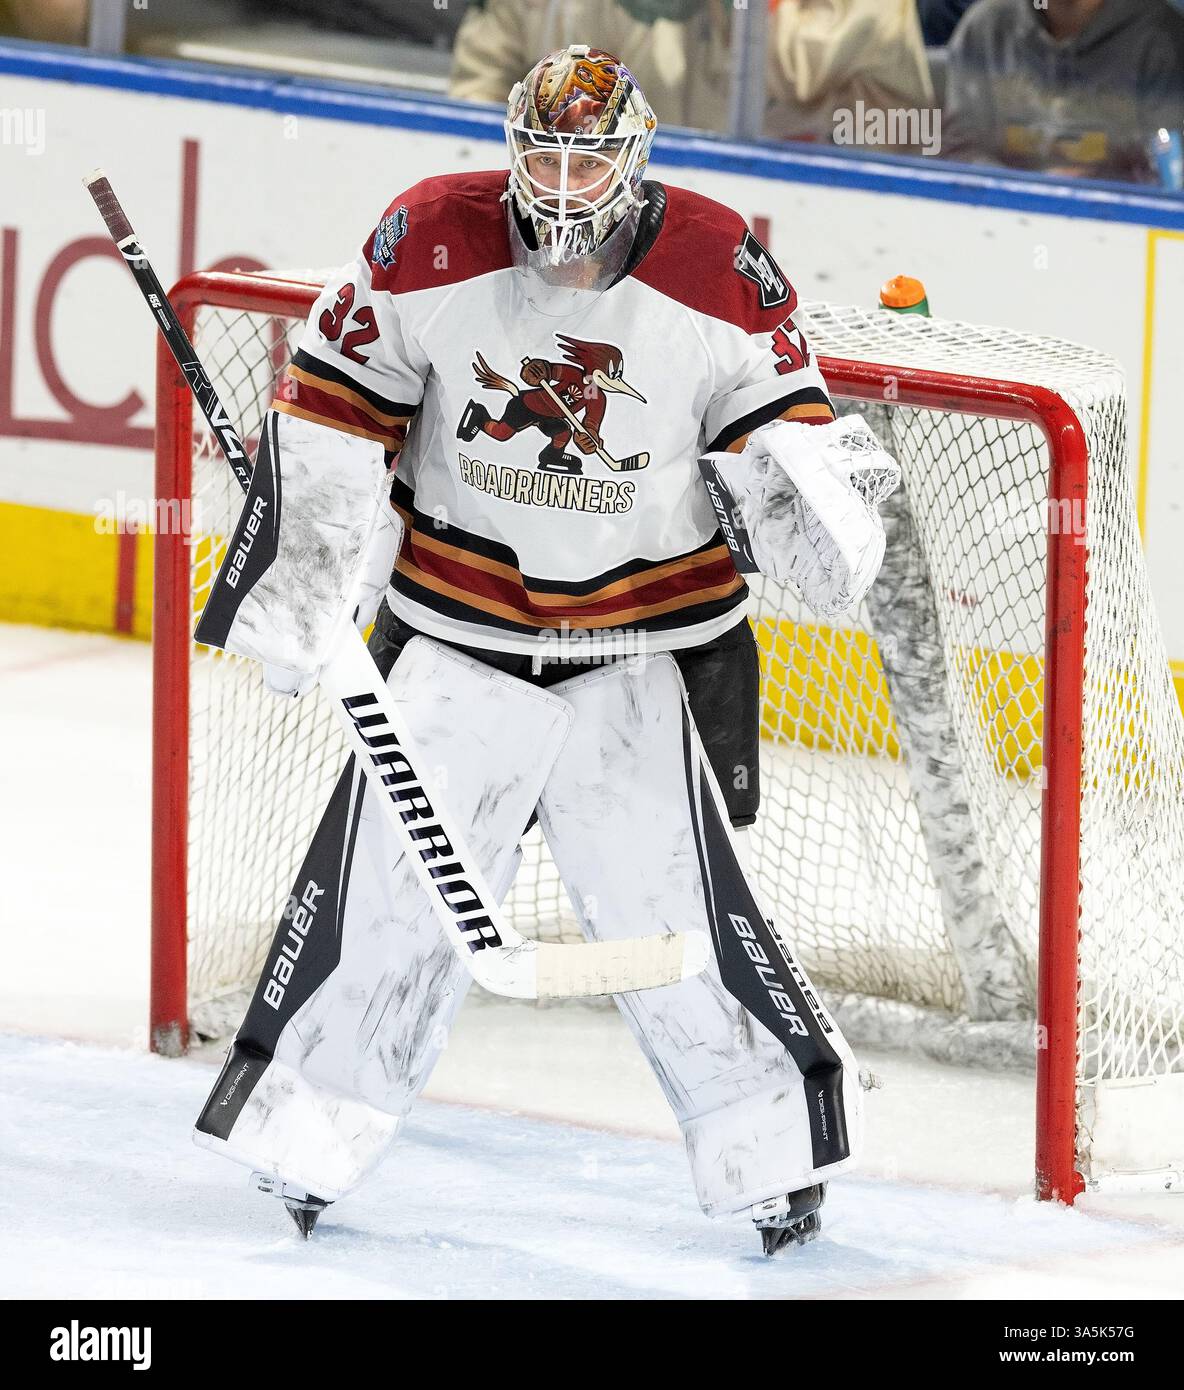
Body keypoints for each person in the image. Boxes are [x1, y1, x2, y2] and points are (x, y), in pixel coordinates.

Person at [191, 46, 898, 1254]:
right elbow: (326, 413)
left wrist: (812, 506)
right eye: (544, 153)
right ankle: (305, 1136)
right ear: (511, 148)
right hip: (457, 638)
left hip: (639, 651)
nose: (564, 183)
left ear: (638, 155)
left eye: (590, 154)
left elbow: (787, 432)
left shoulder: (717, 264)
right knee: (387, 904)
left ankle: (771, 1152)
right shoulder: (423, 237)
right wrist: (298, 587)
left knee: (671, 913)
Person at [452, 1, 932, 148]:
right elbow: (470, 114)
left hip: (825, 255)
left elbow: (801, 76)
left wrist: (740, 10)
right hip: (589, 243)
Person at [942, 0, 1184, 183]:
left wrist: (1089, 188)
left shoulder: (1162, 40)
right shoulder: (985, 28)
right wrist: (1024, 191)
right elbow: (959, 149)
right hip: (997, 223)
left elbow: (1170, 172)